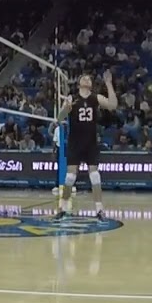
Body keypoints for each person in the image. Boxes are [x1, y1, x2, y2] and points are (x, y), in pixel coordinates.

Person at [57, 72, 118, 219]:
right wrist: (66, 108)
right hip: (75, 142)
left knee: (95, 176)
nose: (86, 78)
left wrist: (109, 84)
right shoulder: (72, 98)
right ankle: (62, 208)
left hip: (90, 141)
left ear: (91, 84)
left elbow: (113, 105)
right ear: (78, 83)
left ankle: (99, 210)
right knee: (70, 176)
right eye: (83, 77)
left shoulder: (95, 97)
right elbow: (59, 118)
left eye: (88, 78)